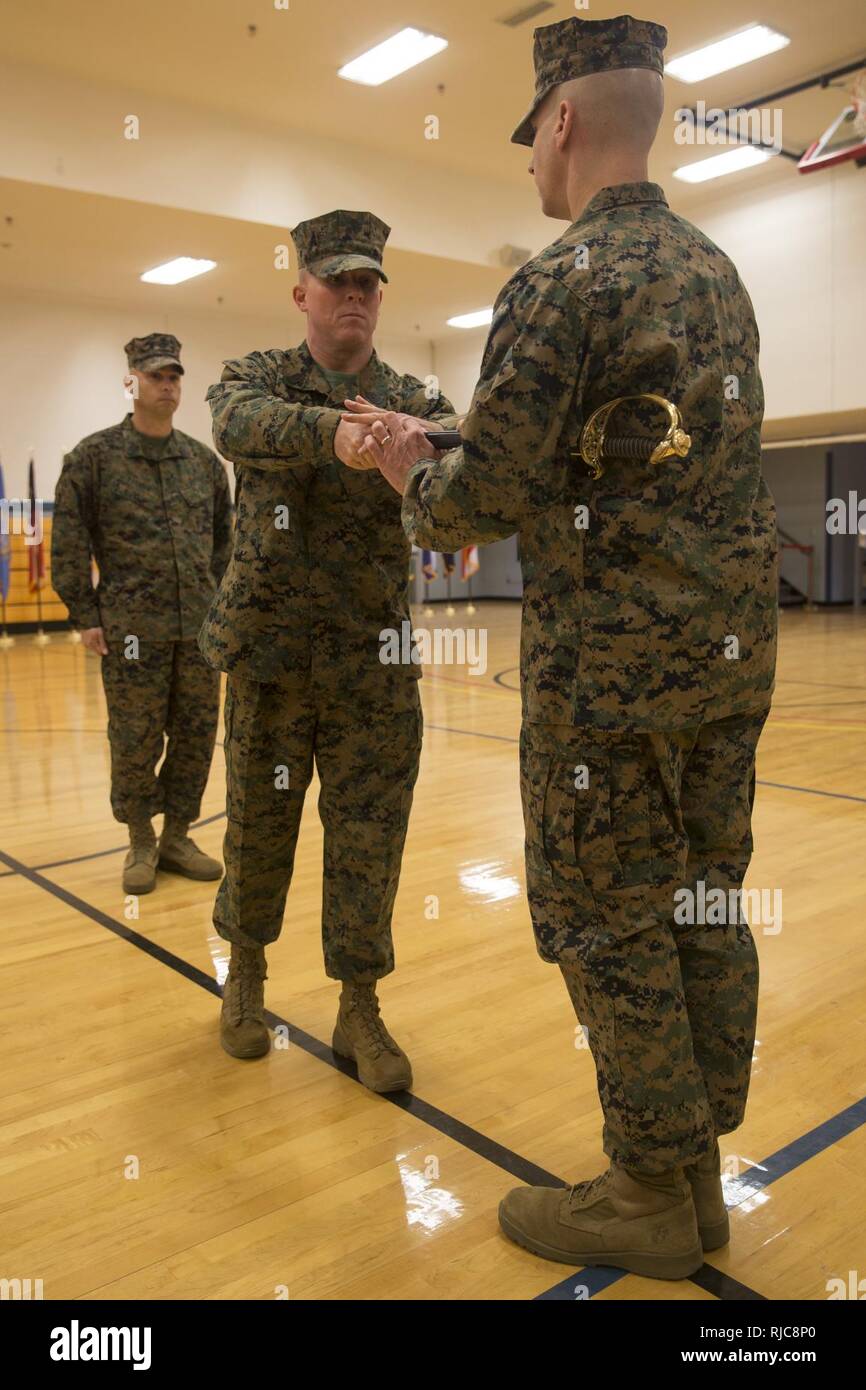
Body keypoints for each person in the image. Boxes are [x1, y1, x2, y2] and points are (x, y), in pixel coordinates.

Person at [343, 14, 778, 1278]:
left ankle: (645, 1186)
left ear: (563, 122)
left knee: (603, 914)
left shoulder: (559, 280)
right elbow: (621, 457)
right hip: (726, 661)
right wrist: (442, 445)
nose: (530, 159)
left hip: (609, 676)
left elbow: (482, 502)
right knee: (704, 895)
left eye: (532, 132)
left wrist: (404, 472)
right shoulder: (714, 271)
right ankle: (695, 1170)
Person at [201, 209, 458, 1090]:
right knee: (258, 826)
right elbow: (237, 425)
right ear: (301, 290)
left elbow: (460, 468)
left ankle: (359, 1007)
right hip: (271, 656)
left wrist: (414, 451)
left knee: (369, 837)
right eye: (337, 279)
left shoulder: (417, 400)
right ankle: (245, 981)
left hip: (373, 665)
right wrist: (340, 436)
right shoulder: (257, 376)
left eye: (369, 281)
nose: (354, 293)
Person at [52, 334, 231, 895]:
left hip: (196, 632)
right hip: (131, 633)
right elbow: (68, 541)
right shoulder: (94, 458)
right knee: (134, 738)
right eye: (156, 376)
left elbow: (226, 544)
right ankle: (139, 839)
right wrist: (85, 612)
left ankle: (178, 835)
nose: (168, 385)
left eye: (174, 376)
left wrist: (220, 610)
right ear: (132, 382)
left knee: (196, 735)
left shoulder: (204, 464)